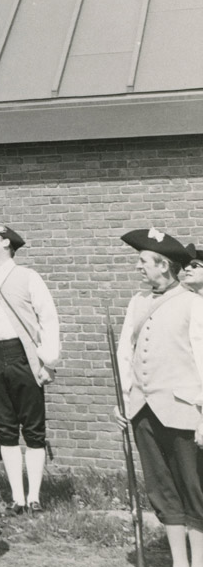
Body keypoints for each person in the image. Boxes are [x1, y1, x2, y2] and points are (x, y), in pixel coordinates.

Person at [116, 229, 203, 567]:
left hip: (183, 411)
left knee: (193, 491)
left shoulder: (194, 304)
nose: (138, 267)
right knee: (162, 491)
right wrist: (124, 400)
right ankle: (179, 562)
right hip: (143, 409)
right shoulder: (137, 302)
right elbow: (127, 353)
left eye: (144, 261)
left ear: (164, 265)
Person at [0, 221, 60, 516]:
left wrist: (47, 361)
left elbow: (48, 319)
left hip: (24, 358)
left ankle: (34, 497)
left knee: (33, 430)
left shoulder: (29, 277)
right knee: (5, 430)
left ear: (7, 243)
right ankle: (17, 498)